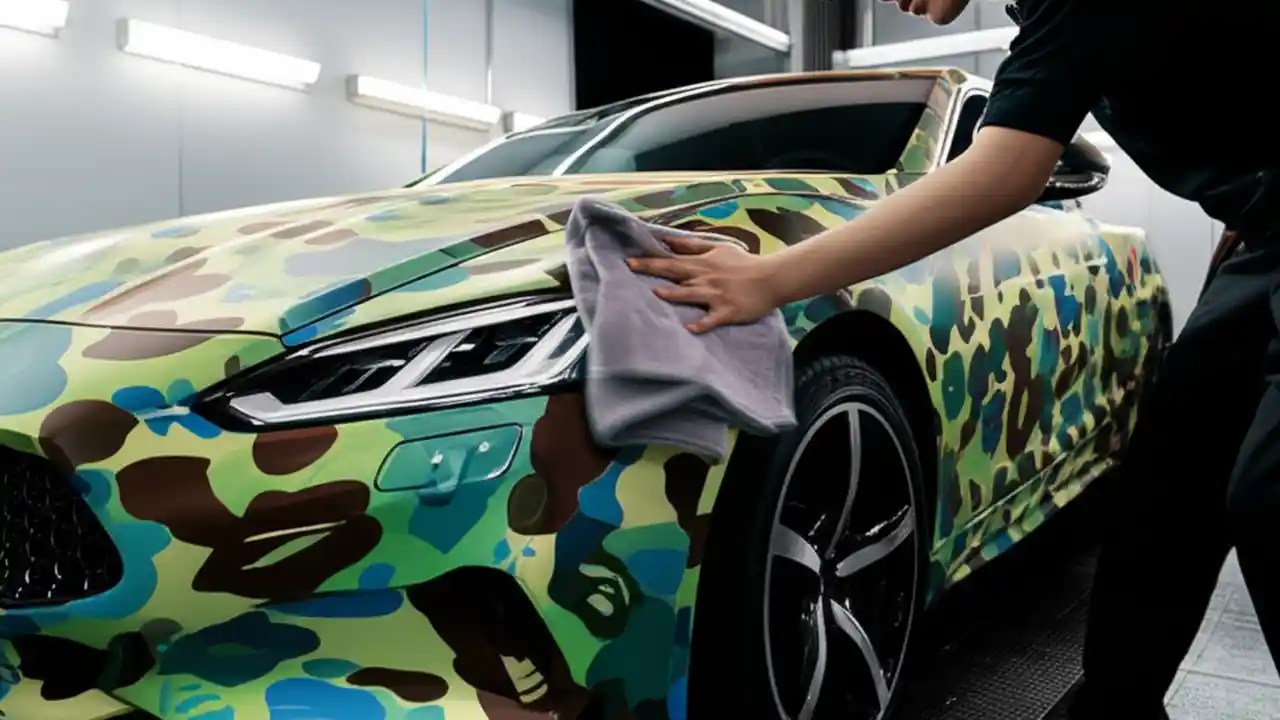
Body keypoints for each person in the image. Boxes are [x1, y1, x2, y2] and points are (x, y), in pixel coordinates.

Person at [628, 0, 1280, 718]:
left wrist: (767, 278)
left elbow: (1004, 170)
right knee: (1169, 485)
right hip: (1263, 235)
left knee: (1269, 492)